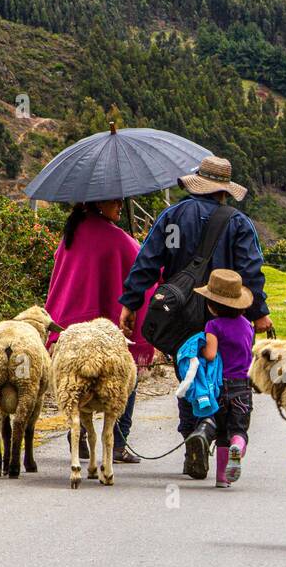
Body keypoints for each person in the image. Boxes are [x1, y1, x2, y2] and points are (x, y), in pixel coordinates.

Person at [118, 156, 272, 479]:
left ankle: (193, 433)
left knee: (191, 375)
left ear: (197, 183)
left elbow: (147, 262)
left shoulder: (171, 217)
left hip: (181, 317)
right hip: (227, 317)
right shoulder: (238, 224)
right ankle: (216, 434)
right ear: (224, 192)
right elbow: (251, 273)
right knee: (226, 378)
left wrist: (131, 303)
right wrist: (259, 314)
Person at [46, 199, 155, 464]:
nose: (119, 205)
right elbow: (145, 269)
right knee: (126, 378)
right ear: (97, 203)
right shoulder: (116, 238)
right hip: (107, 334)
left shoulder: (71, 234)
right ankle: (118, 443)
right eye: (114, 201)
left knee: (77, 382)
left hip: (72, 330)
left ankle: (78, 433)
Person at [185, 269, 255, 487]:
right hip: (242, 386)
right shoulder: (248, 326)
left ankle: (222, 479)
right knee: (239, 430)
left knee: (222, 431)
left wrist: (200, 349)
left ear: (212, 305)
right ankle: (238, 447)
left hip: (219, 386)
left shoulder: (212, 326)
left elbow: (212, 354)